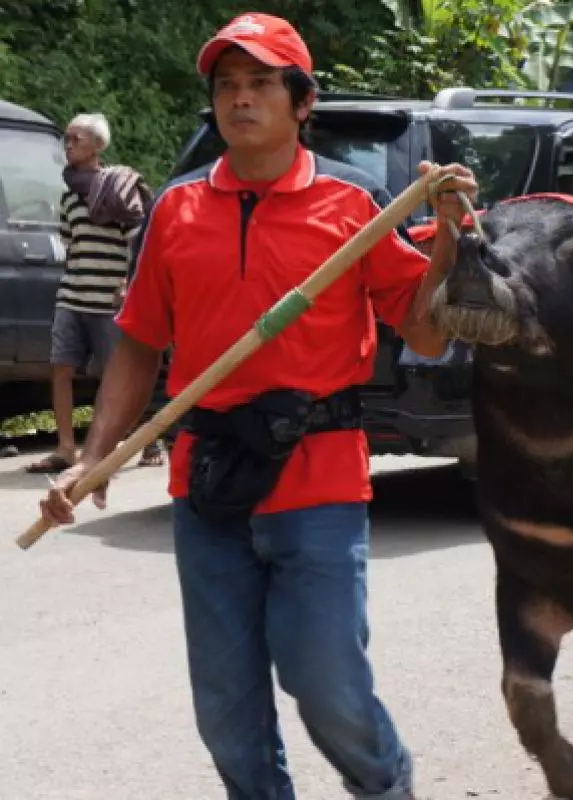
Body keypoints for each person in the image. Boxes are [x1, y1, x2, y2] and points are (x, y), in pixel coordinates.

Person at [36, 12, 477, 800]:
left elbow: (426, 332)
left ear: (301, 102)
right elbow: (138, 341)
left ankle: (386, 789)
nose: (241, 100)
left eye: (262, 83)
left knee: (327, 688)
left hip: (319, 483)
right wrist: (92, 455)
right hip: (206, 485)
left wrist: (445, 238)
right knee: (227, 715)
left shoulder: (354, 204)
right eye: (227, 86)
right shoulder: (175, 210)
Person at [26, 112, 164, 473]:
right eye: (66, 140)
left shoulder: (117, 191)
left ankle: (145, 441)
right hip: (72, 297)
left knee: (119, 376)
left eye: (76, 140)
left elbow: (137, 244)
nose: (68, 146)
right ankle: (66, 447)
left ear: (97, 146)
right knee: (61, 368)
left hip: (109, 302)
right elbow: (70, 244)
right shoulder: (69, 198)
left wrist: (125, 284)